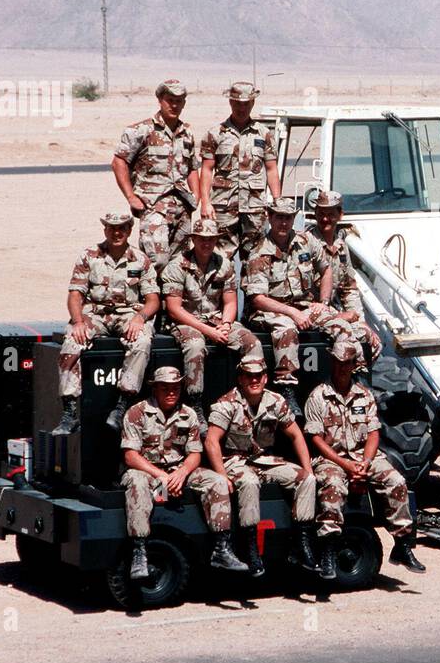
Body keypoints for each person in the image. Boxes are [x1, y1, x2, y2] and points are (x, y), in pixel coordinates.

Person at [245, 197, 378, 409]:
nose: (284, 223)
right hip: (270, 310)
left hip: (304, 307)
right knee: (287, 330)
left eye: (288, 218)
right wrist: (292, 313)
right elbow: (257, 299)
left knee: (342, 326)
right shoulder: (259, 252)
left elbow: (326, 269)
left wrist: (323, 302)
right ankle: (287, 389)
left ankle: (354, 377)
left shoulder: (305, 242)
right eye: (279, 217)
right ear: (270, 217)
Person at [307, 339, 425, 578]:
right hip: (332, 458)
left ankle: (402, 546)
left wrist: (365, 464)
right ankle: (328, 551)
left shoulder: (364, 395)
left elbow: (373, 433)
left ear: (354, 365)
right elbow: (316, 439)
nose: (342, 368)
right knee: (333, 486)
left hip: (364, 456)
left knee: (396, 481)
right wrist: (346, 465)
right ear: (332, 362)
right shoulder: (318, 396)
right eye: (338, 362)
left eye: (347, 363)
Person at [119, 367, 249, 580]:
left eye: (176, 388)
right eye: (165, 388)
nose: (171, 392)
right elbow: (130, 456)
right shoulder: (137, 413)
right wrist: (160, 475)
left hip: (179, 471)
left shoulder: (188, 415)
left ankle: (222, 549)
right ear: (155, 389)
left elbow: (195, 454)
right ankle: (139, 553)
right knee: (136, 482)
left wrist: (182, 472)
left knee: (218, 481)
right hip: (147, 471)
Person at [203, 354, 318, 576]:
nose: (254, 380)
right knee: (249, 482)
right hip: (234, 462)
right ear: (241, 379)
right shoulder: (226, 404)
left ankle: (301, 545)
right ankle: (251, 549)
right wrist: (221, 476)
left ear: (265, 378)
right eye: (248, 376)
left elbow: (296, 435)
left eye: (258, 376)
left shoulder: (274, 401)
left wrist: (308, 468)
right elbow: (211, 441)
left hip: (264, 459)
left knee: (308, 480)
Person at [56, 212, 159, 433]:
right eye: (112, 228)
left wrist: (140, 318)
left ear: (129, 230)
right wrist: (77, 322)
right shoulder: (89, 256)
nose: (117, 232)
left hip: (127, 314)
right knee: (72, 341)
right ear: (105, 230)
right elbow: (75, 295)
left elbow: (153, 300)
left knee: (142, 341)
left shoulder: (140, 260)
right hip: (95, 313)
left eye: (122, 228)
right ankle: (70, 411)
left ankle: (122, 405)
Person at [161, 217, 263, 425]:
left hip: (217, 320)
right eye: (201, 239)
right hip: (187, 322)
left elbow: (230, 302)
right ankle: (196, 403)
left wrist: (226, 324)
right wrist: (209, 332)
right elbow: (174, 309)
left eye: (211, 239)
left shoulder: (224, 264)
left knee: (253, 342)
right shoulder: (177, 266)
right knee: (195, 345)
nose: (206, 243)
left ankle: (250, 399)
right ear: (194, 240)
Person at [112, 78, 199, 274]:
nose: (174, 105)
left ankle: (171, 305)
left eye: (179, 101)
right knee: (156, 261)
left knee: (179, 265)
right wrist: (130, 196)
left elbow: (193, 167)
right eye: (170, 100)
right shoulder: (140, 131)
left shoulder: (187, 134)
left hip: (182, 208)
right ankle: (150, 303)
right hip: (153, 206)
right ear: (160, 100)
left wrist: (196, 196)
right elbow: (119, 162)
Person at [198, 81, 281, 262]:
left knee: (256, 259)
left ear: (252, 103)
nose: (242, 108)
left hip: (254, 207)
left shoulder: (264, 134)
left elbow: (272, 169)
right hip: (223, 207)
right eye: (237, 103)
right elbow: (206, 170)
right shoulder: (215, 134)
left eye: (246, 104)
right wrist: (205, 202)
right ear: (230, 102)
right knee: (219, 259)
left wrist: (277, 202)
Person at [308, 190, 383, 369]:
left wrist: (360, 319)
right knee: (347, 338)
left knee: (372, 341)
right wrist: (341, 316)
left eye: (330, 214)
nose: (325, 219)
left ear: (340, 215)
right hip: (311, 311)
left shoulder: (341, 247)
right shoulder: (305, 243)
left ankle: (356, 387)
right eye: (321, 214)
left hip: (332, 311)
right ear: (315, 214)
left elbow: (348, 288)